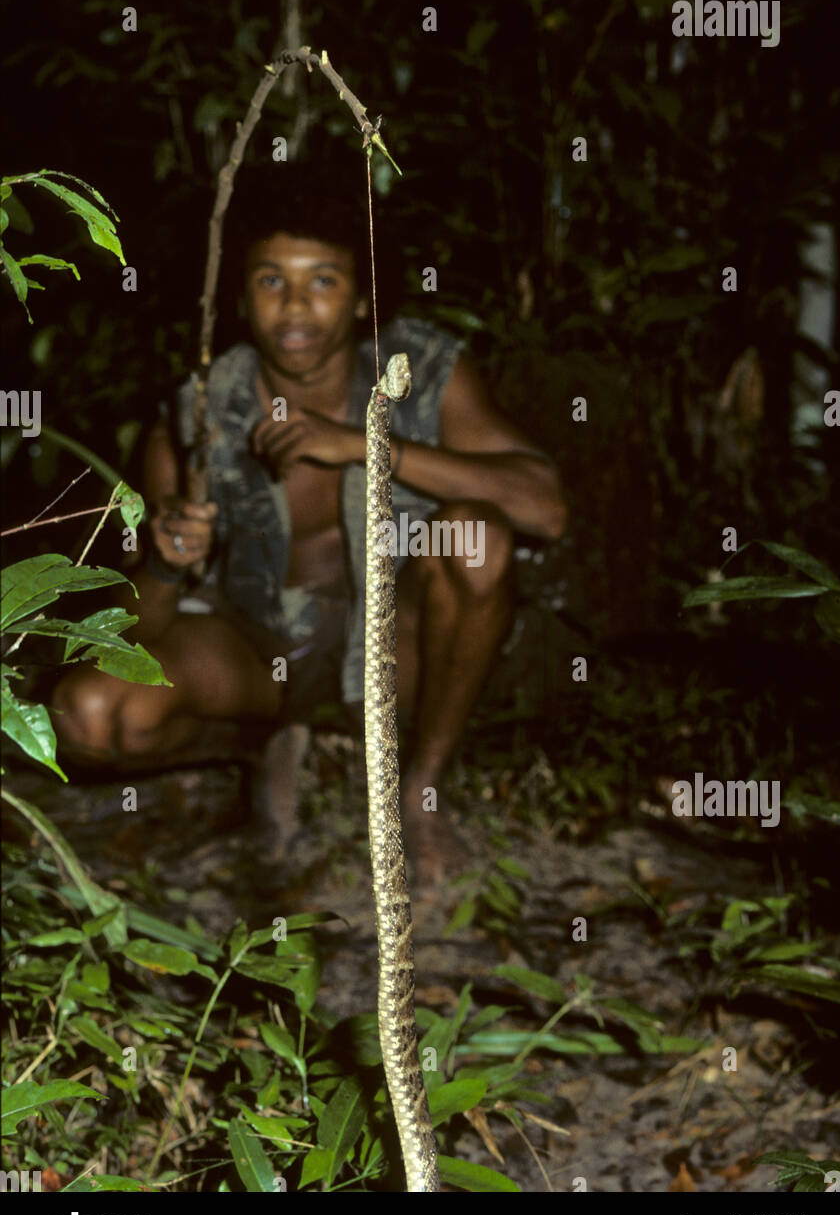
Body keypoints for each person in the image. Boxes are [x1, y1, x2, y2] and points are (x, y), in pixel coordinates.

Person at [52, 166, 567, 888]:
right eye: (270, 281)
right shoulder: (197, 413)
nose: (295, 305)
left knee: (475, 536)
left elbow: (543, 506)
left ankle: (421, 788)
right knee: (90, 715)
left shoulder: (423, 369)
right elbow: (136, 626)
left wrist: (365, 442)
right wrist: (167, 560)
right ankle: (258, 749)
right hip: (261, 654)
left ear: (361, 300)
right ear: (239, 298)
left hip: (398, 653)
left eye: (322, 280)